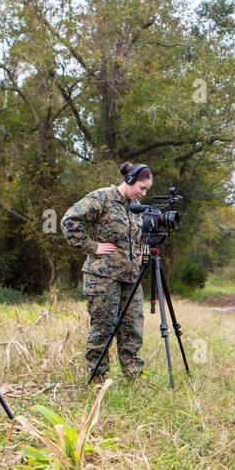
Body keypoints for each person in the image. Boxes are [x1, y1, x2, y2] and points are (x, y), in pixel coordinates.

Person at [62, 162, 152, 381]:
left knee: (133, 329)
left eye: (147, 189)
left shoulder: (136, 208)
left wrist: (142, 252)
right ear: (129, 180)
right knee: (103, 328)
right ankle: (97, 380)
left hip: (131, 277)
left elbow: (142, 237)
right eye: (141, 187)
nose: (143, 193)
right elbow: (69, 220)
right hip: (103, 277)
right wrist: (92, 246)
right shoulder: (102, 198)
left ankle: (134, 377)